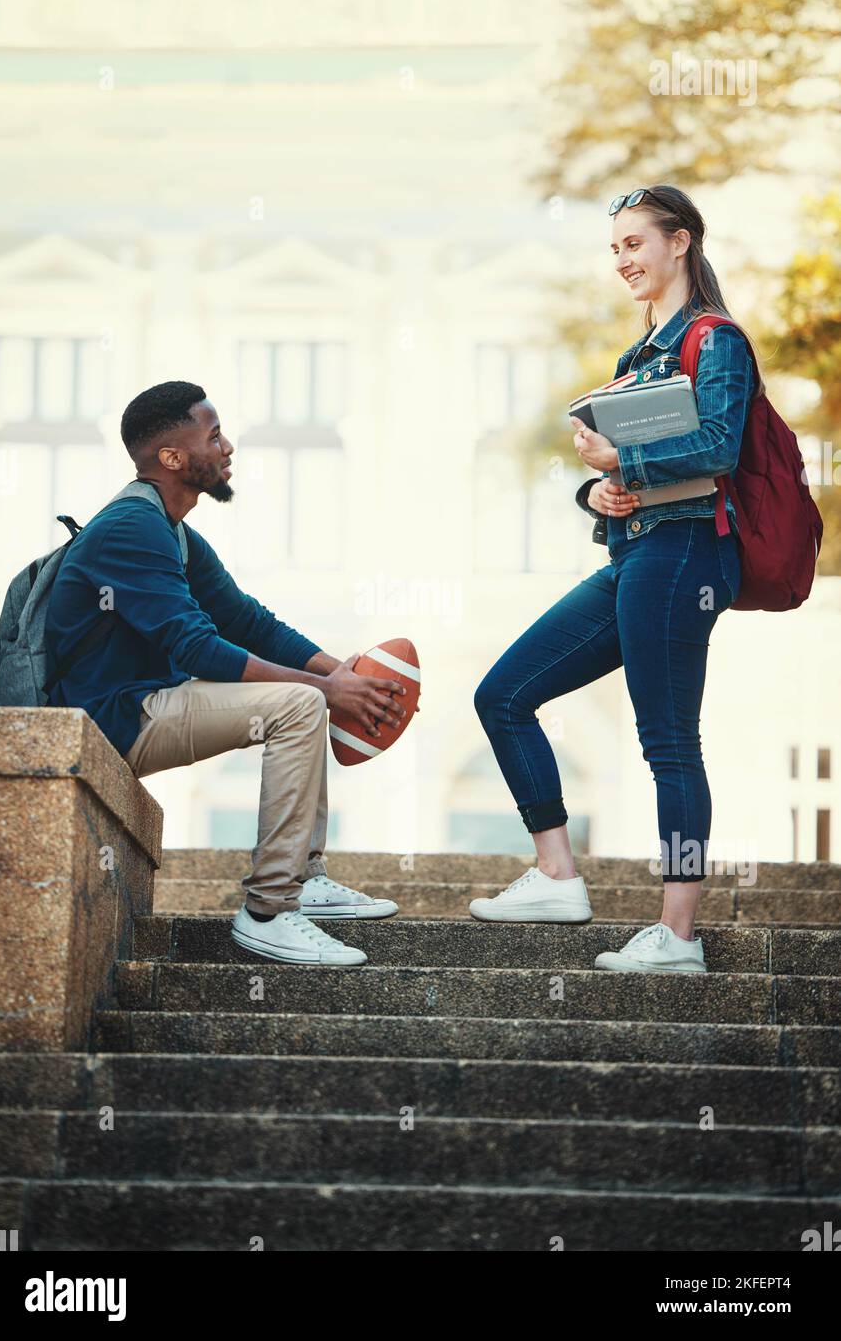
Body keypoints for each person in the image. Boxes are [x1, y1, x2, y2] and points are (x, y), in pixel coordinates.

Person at [471, 184, 758, 974]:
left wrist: (620, 460)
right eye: (615, 249)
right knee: (503, 694)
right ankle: (558, 872)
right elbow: (628, 472)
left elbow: (720, 447)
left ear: (682, 243)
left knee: (668, 742)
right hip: (635, 552)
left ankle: (678, 936)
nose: (624, 260)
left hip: (688, 555)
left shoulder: (715, 338)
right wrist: (596, 488)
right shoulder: (641, 357)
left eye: (636, 243)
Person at [44, 381, 408, 967]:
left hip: (147, 707)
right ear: (171, 457)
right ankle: (268, 911)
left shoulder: (176, 533)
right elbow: (199, 649)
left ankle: (304, 879)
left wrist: (339, 672)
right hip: (112, 722)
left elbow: (248, 622)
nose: (228, 447)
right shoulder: (129, 528)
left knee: (304, 696)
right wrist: (325, 690)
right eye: (213, 436)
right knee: (298, 703)